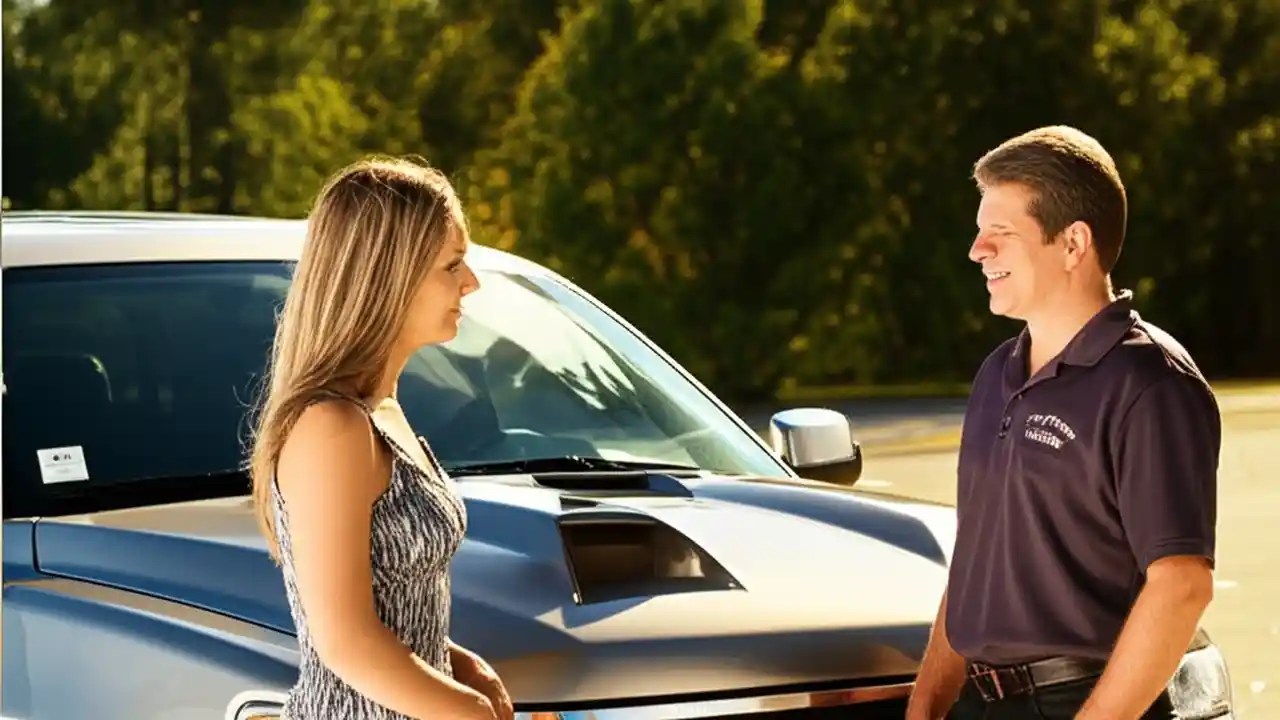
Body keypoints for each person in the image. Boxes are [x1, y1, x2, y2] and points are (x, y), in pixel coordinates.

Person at [906, 126, 1220, 719]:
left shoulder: (1150, 383)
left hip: (1083, 702)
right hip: (979, 703)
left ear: (1073, 244)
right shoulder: (997, 373)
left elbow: (1181, 586)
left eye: (1000, 234)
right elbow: (977, 557)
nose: (977, 251)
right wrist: (926, 704)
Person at [247, 156, 512, 720]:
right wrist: (472, 713)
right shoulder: (331, 428)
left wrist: (466, 671)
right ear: (389, 276)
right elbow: (344, 641)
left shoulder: (381, 412)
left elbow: (398, 610)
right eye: (452, 265)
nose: (471, 282)